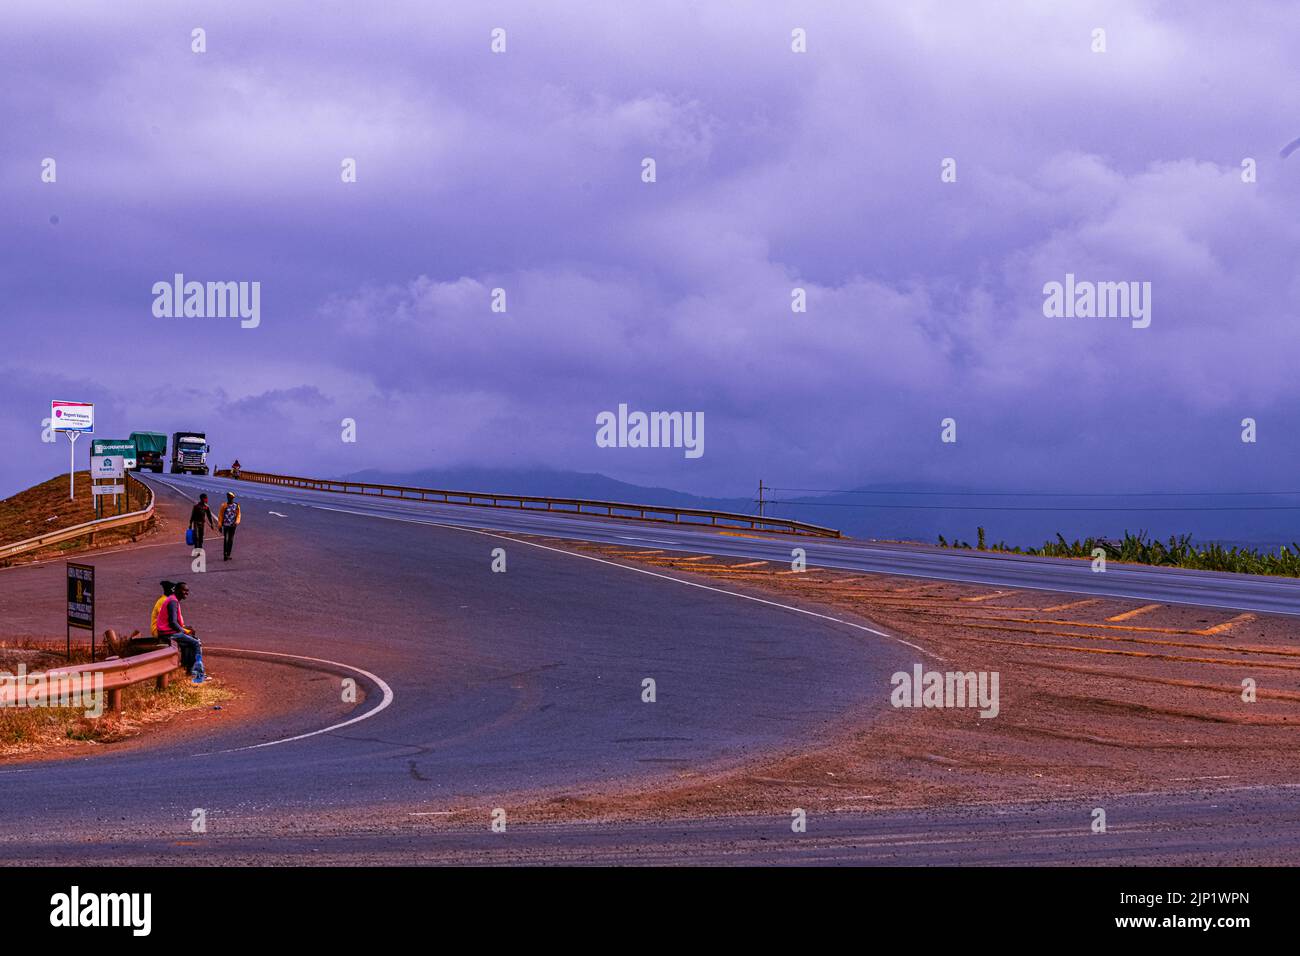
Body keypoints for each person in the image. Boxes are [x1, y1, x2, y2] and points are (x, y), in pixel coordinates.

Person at [156, 580, 207, 684]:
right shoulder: (173, 602)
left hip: (167, 632)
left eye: (187, 591)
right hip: (168, 633)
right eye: (184, 590)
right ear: (178, 590)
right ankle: (198, 674)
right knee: (196, 643)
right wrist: (184, 631)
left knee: (192, 641)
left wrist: (185, 630)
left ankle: (190, 670)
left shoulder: (173, 600)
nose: (186, 593)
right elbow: (172, 623)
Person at [219, 491, 241, 561]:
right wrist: (219, 525)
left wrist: (237, 522)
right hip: (226, 525)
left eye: (230, 498)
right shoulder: (224, 505)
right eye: (228, 497)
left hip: (233, 525)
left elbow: (238, 515)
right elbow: (220, 515)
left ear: (233, 498)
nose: (229, 499)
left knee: (231, 540)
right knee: (226, 539)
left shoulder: (236, 505)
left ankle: (228, 554)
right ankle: (225, 554)